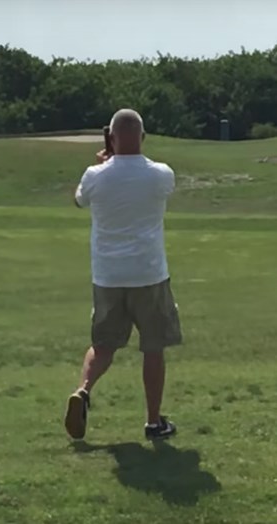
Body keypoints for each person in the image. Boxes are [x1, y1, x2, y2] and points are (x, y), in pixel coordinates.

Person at [65, 108, 183, 441]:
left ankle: (83, 390)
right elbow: (154, 185)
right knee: (153, 347)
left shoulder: (95, 175)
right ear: (142, 137)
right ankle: (153, 422)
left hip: (108, 276)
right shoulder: (161, 174)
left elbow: (78, 200)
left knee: (103, 345)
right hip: (149, 273)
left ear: (112, 138)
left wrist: (104, 164)